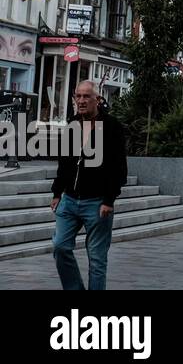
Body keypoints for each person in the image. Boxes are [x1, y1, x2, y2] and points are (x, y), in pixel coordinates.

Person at [50, 80, 127, 290]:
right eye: (78, 96)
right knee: (60, 246)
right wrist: (57, 192)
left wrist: (109, 199)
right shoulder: (72, 125)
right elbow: (64, 163)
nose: (82, 101)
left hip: (97, 203)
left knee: (97, 259)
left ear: (97, 100)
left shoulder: (112, 127)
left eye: (86, 96)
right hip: (70, 200)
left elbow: (119, 168)